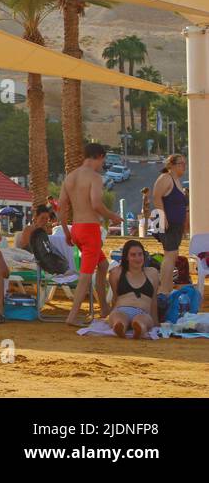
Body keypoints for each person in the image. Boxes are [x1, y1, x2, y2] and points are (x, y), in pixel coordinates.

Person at [59, 142, 122, 324]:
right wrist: (113, 216)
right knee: (86, 275)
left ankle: (104, 308)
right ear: (100, 156)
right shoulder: (95, 177)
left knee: (102, 266)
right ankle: (72, 317)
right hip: (90, 229)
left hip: (76, 228)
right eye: (103, 160)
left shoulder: (70, 177)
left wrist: (66, 232)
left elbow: (61, 208)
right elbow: (96, 204)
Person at [151, 153, 188, 296]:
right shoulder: (166, 178)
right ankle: (164, 289)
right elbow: (156, 196)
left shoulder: (177, 180)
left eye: (185, 163)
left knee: (173, 255)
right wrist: (163, 215)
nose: (184, 166)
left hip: (176, 224)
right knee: (170, 255)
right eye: (181, 163)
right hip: (168, 223)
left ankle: (167, 287)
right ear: (171, 165)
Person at [106, 239, 159, 339]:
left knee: (141, 321)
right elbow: (115, 298)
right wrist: (111, 314)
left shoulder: (152, 273)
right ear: (126, 257)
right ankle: (120, 327)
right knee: (119, 319)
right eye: (133, 255)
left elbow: (154, 300)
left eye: (140, 254)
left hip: (143, 312)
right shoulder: (116, 272)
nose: (137, 258)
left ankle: (139, 329)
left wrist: (155, 321)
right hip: (121, 309)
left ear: (144, 255)